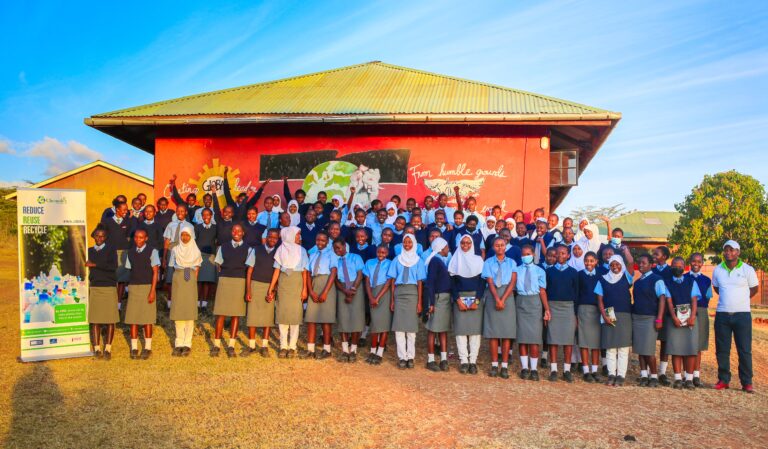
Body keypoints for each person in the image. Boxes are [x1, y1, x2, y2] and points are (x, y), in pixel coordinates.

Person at [712, 240, 758, 393]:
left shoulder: (747, 269)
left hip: (742, 315)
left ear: (738, 252)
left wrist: (740, 300)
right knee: (722, 350)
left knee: (744, 349)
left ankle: (747, 382)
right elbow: (717, 288)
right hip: (722, 315)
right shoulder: (718, 270)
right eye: (726, 250)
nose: (728, 253)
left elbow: (754, 289)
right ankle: (723, 380)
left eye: (731, 250)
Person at [211, 224, 254, 357]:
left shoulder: (249, 249)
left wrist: (247, 289)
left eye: (239, 231)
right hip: (224, 281)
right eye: (234, 230)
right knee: (221, 313)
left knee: (236, 314)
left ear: (243, 233)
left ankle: (231, 345)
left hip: (239, 282)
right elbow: (218, 265)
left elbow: (249, 269)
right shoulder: (223, 247)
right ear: (231, 232)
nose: (236, 232)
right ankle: (216, 345)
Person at [268, 226, 309, 358]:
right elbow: (276, 271)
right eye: (297, 235)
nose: (299, 237)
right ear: (290, 235)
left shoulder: (302, 251)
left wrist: (304, 289)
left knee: (295, 317)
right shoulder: (280, 250)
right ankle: (283, 346)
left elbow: (304, 272)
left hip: (297, 284)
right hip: (284, 285)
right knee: (283, 315)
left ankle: (292, 346)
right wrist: (271, 288)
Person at [387, 234, 426, 369]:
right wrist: (392, 300)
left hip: (412, 294)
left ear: (414, 244)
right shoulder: (397, 260)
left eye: (410, 242)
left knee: (411, 329)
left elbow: (420, 282)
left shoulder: (419, 261)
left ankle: (410, 357)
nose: (407, 245)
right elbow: (392, 281)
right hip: (399, 293)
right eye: (405, 242)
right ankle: (402, 357)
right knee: (399, 328)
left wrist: (419, 302)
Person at [595, 255, 635, 386]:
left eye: (617, 264)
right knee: (610, 347)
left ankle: (621, 376)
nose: (615, 267)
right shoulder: (603, 279)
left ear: (621, 264)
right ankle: (611, 374)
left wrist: (626, 251)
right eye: (612, 264)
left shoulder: (626, 277)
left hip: (624, 315)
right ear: (609, 266)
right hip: (608, 315)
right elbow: (600, 300)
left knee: (623, 348)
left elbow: (631, 262)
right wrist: (604, 315)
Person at [482, 237, 518, 379]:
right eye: (497, 245)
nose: (500, 247)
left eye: (502, 245)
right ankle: (494, 364)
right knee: (494, 332)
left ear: (505, 247)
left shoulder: (512, 262)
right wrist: (497, 299)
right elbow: (490, 281)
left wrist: (503, 299)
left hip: (507, 296)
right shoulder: (488, 262)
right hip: (493, 295)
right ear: (493, 247)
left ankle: (504, 366)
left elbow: (513, 281)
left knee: (506, 332)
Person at [449, 235, 486, 374]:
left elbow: (482, 283)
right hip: (460, 299)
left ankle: (473, 362)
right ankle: (464, 361)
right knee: (461, 331)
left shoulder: (478, 260)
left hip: (475, 298)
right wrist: (458, 300)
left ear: (472, 244)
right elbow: (452, 283)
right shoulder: (455, 259)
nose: (465, 245)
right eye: (463, 243)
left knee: (475, 332)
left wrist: (476, 301)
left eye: (468, 243)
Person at [663, 256, 700, 389]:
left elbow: (694, 300)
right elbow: (669, 301)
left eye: (680, 265)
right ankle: (678, 378)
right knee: (676, 349)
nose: (677, 267)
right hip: (675, 320)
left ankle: (689, 379)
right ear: (671, 266)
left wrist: (693, 317)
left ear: (684, 267)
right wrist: (674, 318)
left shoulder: (691, 281)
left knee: (690, 349)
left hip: (690, 320)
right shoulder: (666, 282)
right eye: (674, 265)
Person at [123, 230, 160, 360]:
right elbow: (130, 270)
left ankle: (147, 348)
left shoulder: (152, 251)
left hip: (147, 287)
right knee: (133, 318)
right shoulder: (130, 253)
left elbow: (155, 272)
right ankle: (134, 348)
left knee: (147, 319)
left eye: (141, 237)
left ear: (146, 238)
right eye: (136, 237)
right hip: (134, 287)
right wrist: (128, 288)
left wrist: (152, 290)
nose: (138, 240)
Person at [515, 244, 550, 381]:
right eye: (523, 255)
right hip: (521, 302)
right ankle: (524, 368)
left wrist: (546, 309)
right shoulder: (516, 270)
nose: (526, 256)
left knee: (534, 338)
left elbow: (542, 291)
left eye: (528, 254)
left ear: (534, 255)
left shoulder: (540, 271)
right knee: (523, 337)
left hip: (535, 303)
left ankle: (534, 369)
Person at [243, 228, 280, 357]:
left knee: (267, 318)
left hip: (269, 287)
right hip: (255, 284)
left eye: (275, 238)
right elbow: (249, 271)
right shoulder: (256, 250)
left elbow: (278, 274)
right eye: (270, 237)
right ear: (266, 237)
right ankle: (252, 346)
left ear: (278, 239)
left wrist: (273, 290)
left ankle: (264, 346)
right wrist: (248, 289)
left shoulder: (279, 252)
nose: (272, 240)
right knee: (252, 316)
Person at [631, 254, 667, 387]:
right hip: (637, 317)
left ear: (651, 264)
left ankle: (654, 376)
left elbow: (662, 299)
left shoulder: (657, 279)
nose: (640, 265)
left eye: (644, 263)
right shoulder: (638, 282)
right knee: (640, 348)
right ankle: (644, 375)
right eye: (639, 262)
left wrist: (659, 318)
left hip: (650, 318)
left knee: (648, 349)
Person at [545, 245, 579, 383]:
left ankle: (566, 370)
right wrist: (546, 311)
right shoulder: (549, 271)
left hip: (568, 308)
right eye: (558, 253)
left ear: (568, 255)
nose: (560, 255)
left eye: (563, 253)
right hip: (553, 306)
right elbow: (545, 292)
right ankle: (553, 369)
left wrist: (575, 314)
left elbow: (576, 293)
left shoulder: (573, 272)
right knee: (553, 339)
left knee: (568, 340)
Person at [302, 232, 338, 360]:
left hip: (327, 286)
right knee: (311, 319)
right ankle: (310, 350)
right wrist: (310, 291)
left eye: (323, 240)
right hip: (314, 284)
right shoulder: (313, 254)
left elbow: (333, 272)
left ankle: (326, 349)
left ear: (328, 241)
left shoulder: (331, 254)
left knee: (325, 320)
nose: (320, 243)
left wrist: (325, 292)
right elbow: (307, 272)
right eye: (318, 240)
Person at [168, 223, 202, 357]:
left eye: (187, 235)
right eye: (182, 235)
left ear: (191, 235)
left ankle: (187, 344)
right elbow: (172, 266)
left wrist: (192, 281)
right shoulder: (175, 249)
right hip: (178, 278)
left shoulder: (196, 251)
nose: (185, 237)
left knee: (189, 311)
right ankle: (178, 343)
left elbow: (197, 268)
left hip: (190, 279)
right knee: (178, 311)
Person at [86, 228, 119, 360]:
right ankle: (97, 348)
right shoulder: (89, 251)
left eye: (102, 236)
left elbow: (113, 266)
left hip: (109, 287)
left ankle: (108, 348)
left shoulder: (111, 250)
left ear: (105, 237)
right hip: (95, 287)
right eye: (97, 236)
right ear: (93, 236)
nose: (99, 238)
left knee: (110, 319)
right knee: (95, 320)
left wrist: (94, 264)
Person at [333, 238, 366, 362]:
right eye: (335, 248)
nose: (337, 250)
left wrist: (352, 289)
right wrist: (344, 290)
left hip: (356, 288)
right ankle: (345, 349)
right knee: (343, 318)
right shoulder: (335, 260)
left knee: (356, 319)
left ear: (345, 246)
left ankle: (353, 349)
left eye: (339, 247)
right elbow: (335, 278)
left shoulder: (355, 257)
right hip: (342, 288)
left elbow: (359, 274)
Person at [423, 237, 452, 372]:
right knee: (433, 329)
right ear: (441, 248)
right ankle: (431, 360)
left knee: (443, 329)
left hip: (444, 298)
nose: (448, 249)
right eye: (446, 247)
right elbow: (430, 283)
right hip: (438, 299)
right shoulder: (435, 261)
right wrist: (432, 303)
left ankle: (444, 359)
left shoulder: (439, 261)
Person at [363, 245, 393, 365]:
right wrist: (371, 297)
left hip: (384, 294)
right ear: (376, 252)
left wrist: (378, 297)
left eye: (384, 252)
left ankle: (380, 352)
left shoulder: (390, 263)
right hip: (372, 291)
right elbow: (367, 280)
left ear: (387, 253)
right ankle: (372, 350)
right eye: (379, 252)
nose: (381, 254)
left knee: (384, 324)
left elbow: (388, 282)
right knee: (375, 323)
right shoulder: (370, 262)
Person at [687, 252, 713, 387]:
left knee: (698, 345)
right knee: (687, 343)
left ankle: (696, 376)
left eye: (699, 261)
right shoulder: (684, 277)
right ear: (689, 262)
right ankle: (687, 376)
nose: (696, 264)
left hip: (701, 312)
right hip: (686, 312)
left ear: (702, 263)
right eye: (693, 261)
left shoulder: (707, 280)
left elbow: (707, 297)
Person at [576, 251, 602, 382]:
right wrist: (575, 313)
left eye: (592, 260)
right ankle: (586, 371)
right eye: (586, 260)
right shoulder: (579, 275)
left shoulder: (601, 275)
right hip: (583, 310)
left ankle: (595, 370)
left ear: (596, 261)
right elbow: (576, 294)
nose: (589, 263)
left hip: (598, 311)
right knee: (584, 341)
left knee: (596, 343)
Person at [101, 201, 134, 303]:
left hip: (124, 253)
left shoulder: (128, 221)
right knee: (112, 278)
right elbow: (102, 236)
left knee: (122, 279)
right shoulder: (107, 222)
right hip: (111, 253)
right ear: (117, 209)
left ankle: (118, 303)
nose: (126, 211)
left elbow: (130, 236)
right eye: (124, 209)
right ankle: (111, 301)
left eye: (127, 209)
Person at [194, 208, 218, 311]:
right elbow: (194, 242)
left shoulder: (215, 228)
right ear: (202, 216)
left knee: (207, 281)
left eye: (208, 214)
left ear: (211, 215)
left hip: (210, 256)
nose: (206, 216)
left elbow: (217, 241)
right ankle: (197, 302)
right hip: (199, 256)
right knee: (199, 281)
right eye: (204, 215)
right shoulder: (197, 227)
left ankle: (204, 304)